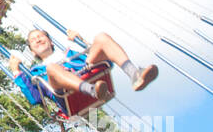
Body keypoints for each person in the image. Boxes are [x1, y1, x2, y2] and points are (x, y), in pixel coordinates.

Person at [8, 27, 157, 109]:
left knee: (101, 37)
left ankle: (134, 74)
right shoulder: (36, 72)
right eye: (33, 40)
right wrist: (17, 72)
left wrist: (81, 42)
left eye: (40, 36)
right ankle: (92, 91)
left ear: (51, 42)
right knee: (52, 68)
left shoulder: (70, 53)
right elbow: (35, 99)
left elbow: (105, 61)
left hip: (86, 72)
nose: (38, 40)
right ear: (32, 51)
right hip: (65, 95)